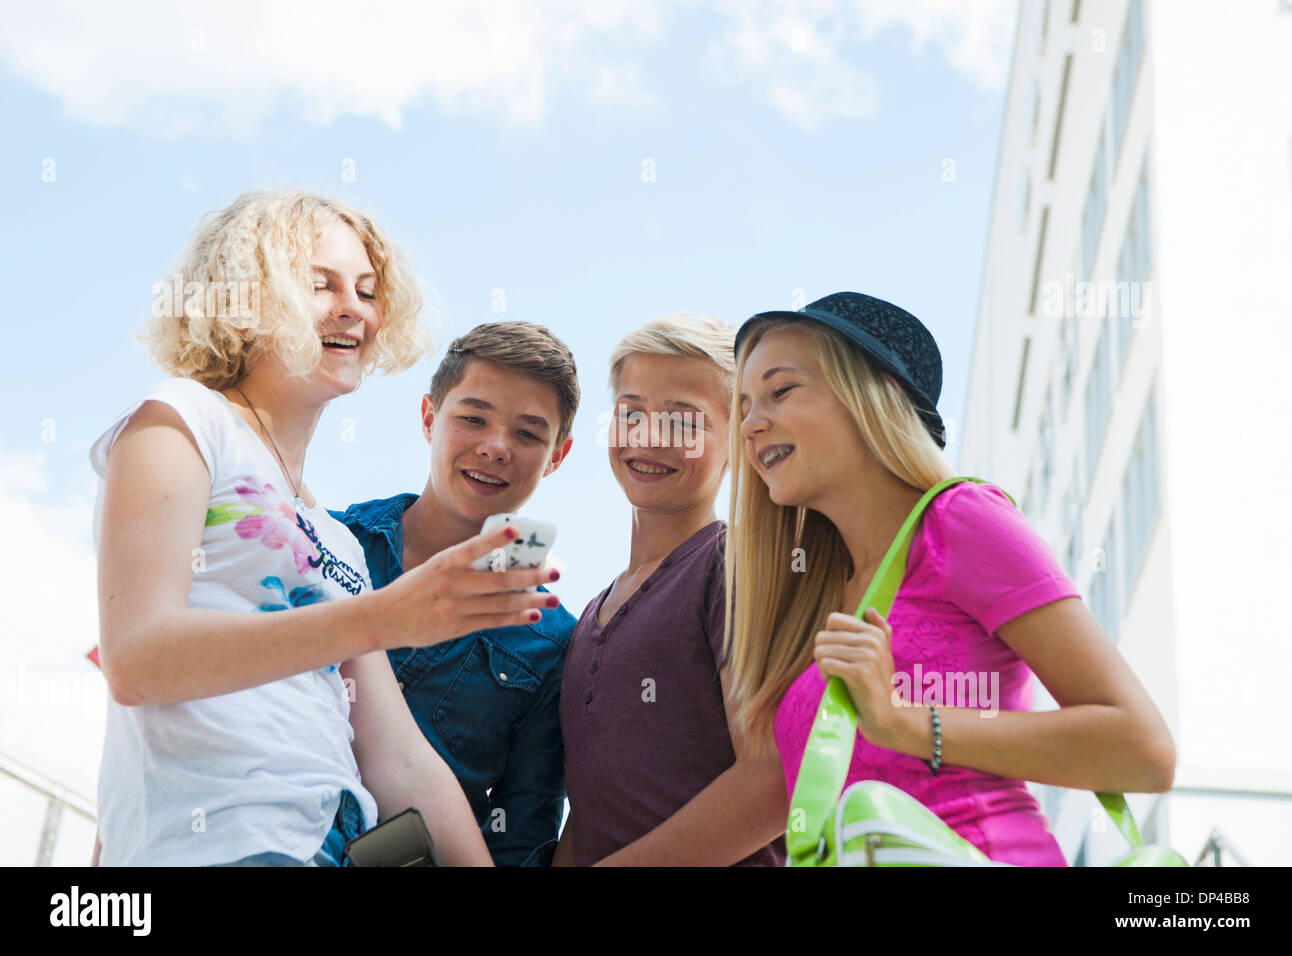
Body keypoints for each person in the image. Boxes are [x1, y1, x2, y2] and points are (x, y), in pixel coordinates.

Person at [89, 190, 556, 866]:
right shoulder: (180, 421)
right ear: (245, 295)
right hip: (227, 841)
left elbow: (399, 761)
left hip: (331, 847)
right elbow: (137, 661)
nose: (353, 310)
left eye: (367, 292)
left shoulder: (334, 538)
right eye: (319, 285)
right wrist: (385, 617)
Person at [724, 291, 1176, 866]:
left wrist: (904, 722)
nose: (751, 424)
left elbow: (1143, 749)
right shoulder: (813, 597)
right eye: (744, 406)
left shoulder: (961, 521)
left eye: (780, 391)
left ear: (873, 399)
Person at [330, 321, 578, 866]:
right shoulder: (329, 543)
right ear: (428, 418)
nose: (495, 448)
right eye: (473, 418)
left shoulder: (554, 642)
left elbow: (521, 836)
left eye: (528, 434)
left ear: (558, 456)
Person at [554, 314, 788, 867]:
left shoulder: (731, 566)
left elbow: (772, 778)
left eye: (684, 422)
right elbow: (587, 816)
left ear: (738, 440)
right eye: (630, 412)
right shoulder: (591, 614)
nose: (648, 437)